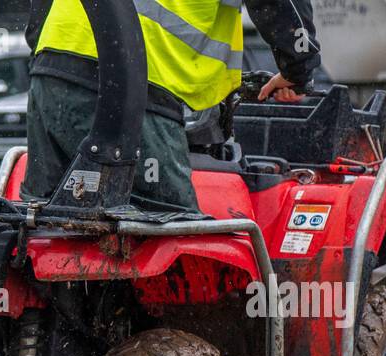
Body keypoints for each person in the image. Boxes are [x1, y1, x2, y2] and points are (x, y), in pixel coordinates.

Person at [21, 0, 321, 212]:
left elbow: (37, 20)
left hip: (50, 77)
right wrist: (298, 70)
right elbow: (282, 8)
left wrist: (49, 61)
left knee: (49, 227)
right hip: (136, 87)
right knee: (174, 243)